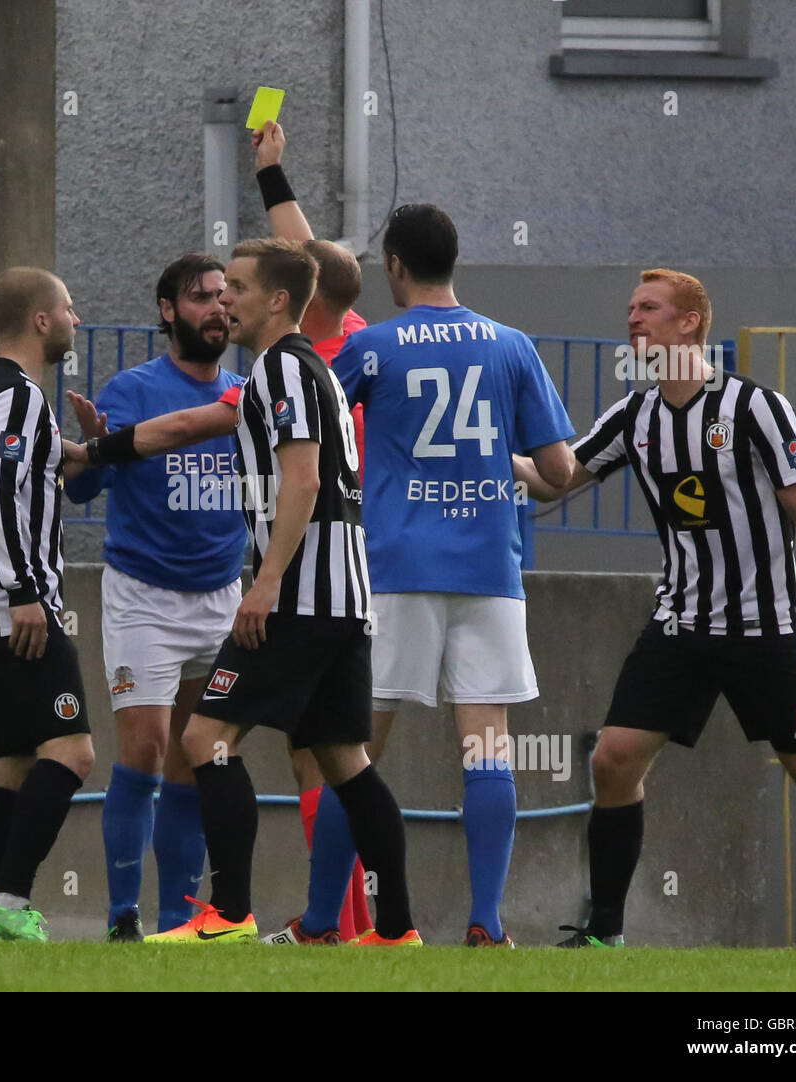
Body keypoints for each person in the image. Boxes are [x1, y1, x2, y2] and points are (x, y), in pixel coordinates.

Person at [70, 238, 420, 946]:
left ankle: (227, 915)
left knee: (203, 739)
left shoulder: (282, 370)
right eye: (217, 289)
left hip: (299, 599)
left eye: (236, 287)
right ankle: (397, 930)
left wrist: (263, 585)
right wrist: (96, 450)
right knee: (346, 761)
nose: (224, 299)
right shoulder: (294, 369)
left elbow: (302, 480)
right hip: (343, 597)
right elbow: (183, 428)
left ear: (279, 300)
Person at [512, 268, 796, 947]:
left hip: (764, 631)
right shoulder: (634, 416)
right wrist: (487, 453)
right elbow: (551, 483)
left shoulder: (755, 407)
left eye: (649, 308)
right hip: (679, 626)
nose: (634, 319)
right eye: (630, 309)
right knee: (614, 758)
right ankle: (605, 934)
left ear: (689, 323)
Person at [278, 204, 573, 948]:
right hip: (489, 569)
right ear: (455, 260)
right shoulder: (511, 346)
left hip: (396, 568)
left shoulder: (374, 347)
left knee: (355, 749)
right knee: (486, 744)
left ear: (395, 266)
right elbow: (559, 472)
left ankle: (319, 925)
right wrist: (497, 459)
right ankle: (487, 922)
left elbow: (307, 417)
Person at [63, 253, 246, 941]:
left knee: (197, 757)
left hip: (222, 597)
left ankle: (178, 921)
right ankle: (120, 916)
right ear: (169, 310)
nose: (218, 309)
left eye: (226, 297)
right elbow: (81, 489)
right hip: (143, 596)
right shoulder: (134, 389)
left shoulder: (244, 394)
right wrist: (93, 445)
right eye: (202, 297)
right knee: (143, 746)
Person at [252, 121, 372, 942]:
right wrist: (272, 174)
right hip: (356, 565)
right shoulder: (352, 338)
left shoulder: (301, 364)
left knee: (321, 756)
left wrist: (108, 445)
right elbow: (313, 260)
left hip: (318, 569)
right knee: (336, 756)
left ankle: (337, 920)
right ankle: (358, 923)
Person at [0, 267, 95, 943]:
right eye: (67, 308)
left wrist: (81, 453)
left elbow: (24, 475)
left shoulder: (1, 397)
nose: (75, 318)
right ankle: (9, 898)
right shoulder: (17, 396)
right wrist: (24, 593)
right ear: (40, 320)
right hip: (10, 606)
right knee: (72, 750)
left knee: (9, 762)